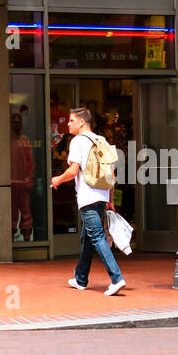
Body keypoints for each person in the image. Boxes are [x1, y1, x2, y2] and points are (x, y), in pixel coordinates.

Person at [50, 105, 126, 296]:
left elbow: (73, 171)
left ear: (82, 122)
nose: (68, 124)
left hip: (88, 197)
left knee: (97, 236)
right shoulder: (101, 140)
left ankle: (117, 278)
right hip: (101, 196)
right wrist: (110, 199)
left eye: (71, 121)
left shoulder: (78, 141)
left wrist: (58, 179)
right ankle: (80, 278)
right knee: (87, 238)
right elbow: (111, 174)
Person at [10, 110, 35, 243]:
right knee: (12, 213)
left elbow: (30, 163)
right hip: (11, 183)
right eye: (14, 122)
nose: (17, 124)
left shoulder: (24, 140)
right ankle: (12, 238)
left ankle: (26, 237)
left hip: (22, 183)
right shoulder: (8, 141)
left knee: (26, 213)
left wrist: (29, 179)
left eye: (19, 122)